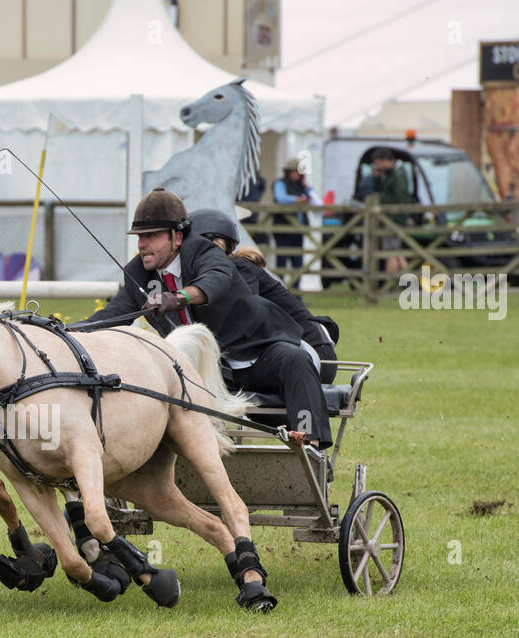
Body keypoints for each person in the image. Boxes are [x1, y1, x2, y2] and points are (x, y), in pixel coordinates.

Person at [83, 188, 332, 451]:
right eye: (140, 237)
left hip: (258, 352)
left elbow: (215, 278)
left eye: (151, 236)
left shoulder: (203, 252)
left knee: (296, 360)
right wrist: (68, 331)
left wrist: (178, 297)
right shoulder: (139, 274)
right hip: (208, 369)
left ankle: (308, 446)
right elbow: (115, 313)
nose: (142, 244)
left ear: (177, 237)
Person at [191, 208, 340, 384]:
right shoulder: (232, 270)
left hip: (313, 352)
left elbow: (246, 313)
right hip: (300, 350)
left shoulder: (238, 269)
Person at [373, 149, 412, 274]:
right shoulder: (390, 175)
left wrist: (381, 200)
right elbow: (378, 191)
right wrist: (377, 178)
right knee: (397, 253)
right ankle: (410, 284)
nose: (376, 166)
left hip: (393, 219)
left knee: (391, 253)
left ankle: (389, 287)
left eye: (378, 163)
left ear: (386, 161)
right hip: (391, 219)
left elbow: (399, 197)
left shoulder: (398, 174)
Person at [271, 159, 312, 269]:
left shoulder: (302, 186)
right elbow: (281, 198)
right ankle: (281, 285)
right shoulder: (280, 183)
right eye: (296, 171)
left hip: (298, 228)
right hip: (283, 227)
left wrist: (307, 188)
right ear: (289, 172)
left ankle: (296, 286)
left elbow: (315, 200)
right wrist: (297, 199)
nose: (298, 174)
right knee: (282, 260)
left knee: (297, 261)